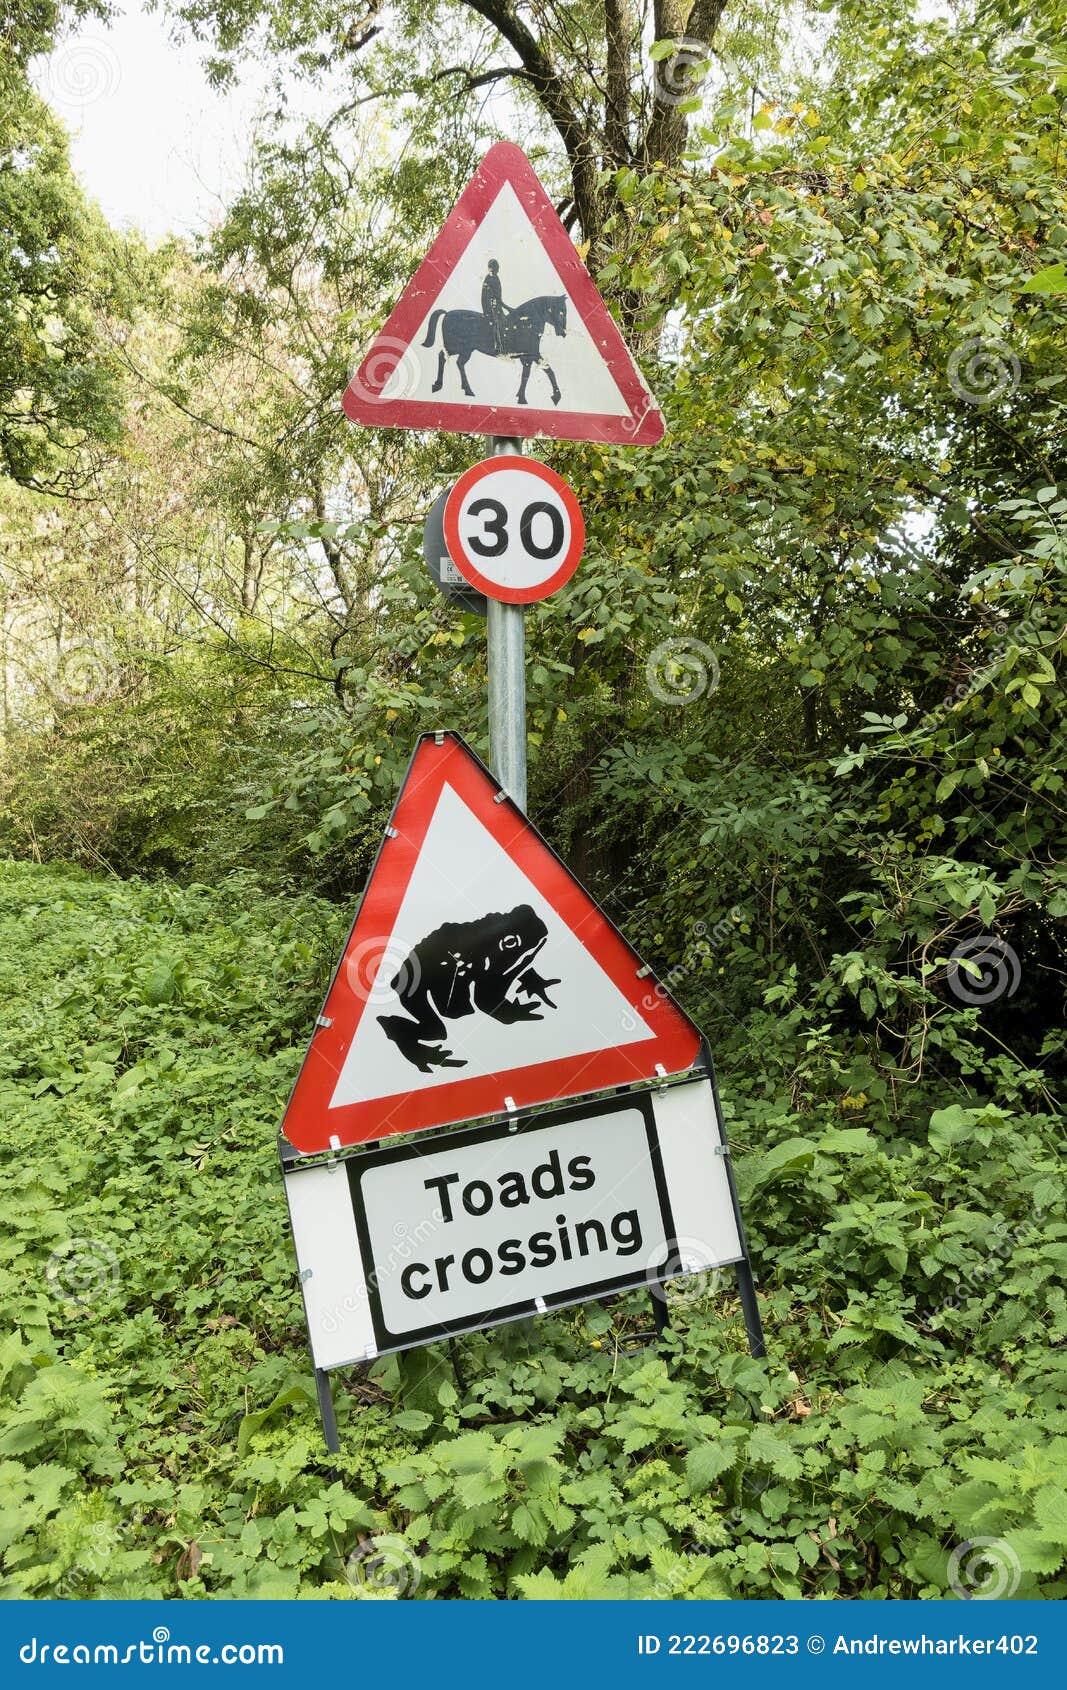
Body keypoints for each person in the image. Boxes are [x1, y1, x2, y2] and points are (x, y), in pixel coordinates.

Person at [481, 259, 510, 353]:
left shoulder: (496, 278)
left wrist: (506, 308)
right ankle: (497, 346)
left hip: (497, 306)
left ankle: (505, 344)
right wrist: (488, 309)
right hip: (489, 307)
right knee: (497, 323)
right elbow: (485, 296)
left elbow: (498, 298)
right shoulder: (488, 279)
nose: (496, 270)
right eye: (495, 268)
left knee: (505, 321)